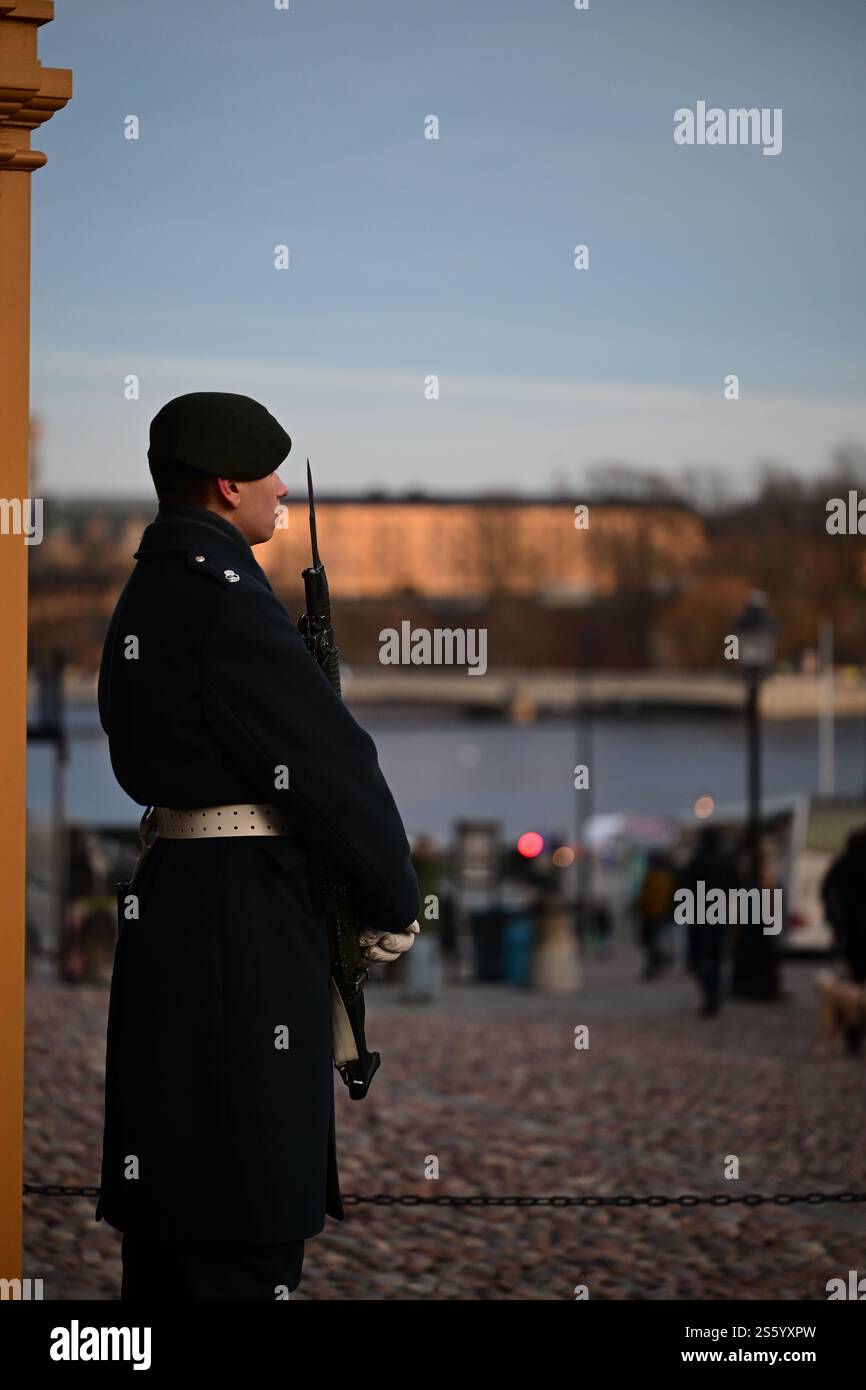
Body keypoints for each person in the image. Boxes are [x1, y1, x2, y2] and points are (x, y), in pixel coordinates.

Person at [95, 392, 421, 1299]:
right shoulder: (226, 598)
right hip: (243, 927)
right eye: (270, 472)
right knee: (242, 1219)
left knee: (173, 1225)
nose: (283, 490)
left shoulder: (149, 588)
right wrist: (394, 898)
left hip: (179, 906)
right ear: (228, 485)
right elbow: (333, 763)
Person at [675, 826, 739, 1017]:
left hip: (700, 915)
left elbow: (683, 886)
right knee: (716, 956)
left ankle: (711, 992)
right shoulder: (726, 861)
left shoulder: (697, 861)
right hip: (718, 914)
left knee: (699, 958)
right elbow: (736, 886)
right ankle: (714, 991)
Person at [821, 827, 866, 1053]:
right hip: (855, 932)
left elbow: (827, 893)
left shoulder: (841, 865)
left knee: (851, 984)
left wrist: (835, 923)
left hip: (851, 935)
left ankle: (853, 1031)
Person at [636, 850, 675, 980]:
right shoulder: (668, 877)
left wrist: (639, 908)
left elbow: (645, 896)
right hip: (661, 915)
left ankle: (654, 964)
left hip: (651, 915)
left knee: (649, 942)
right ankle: (656, 963)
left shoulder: (652, 876)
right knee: (655, 941)